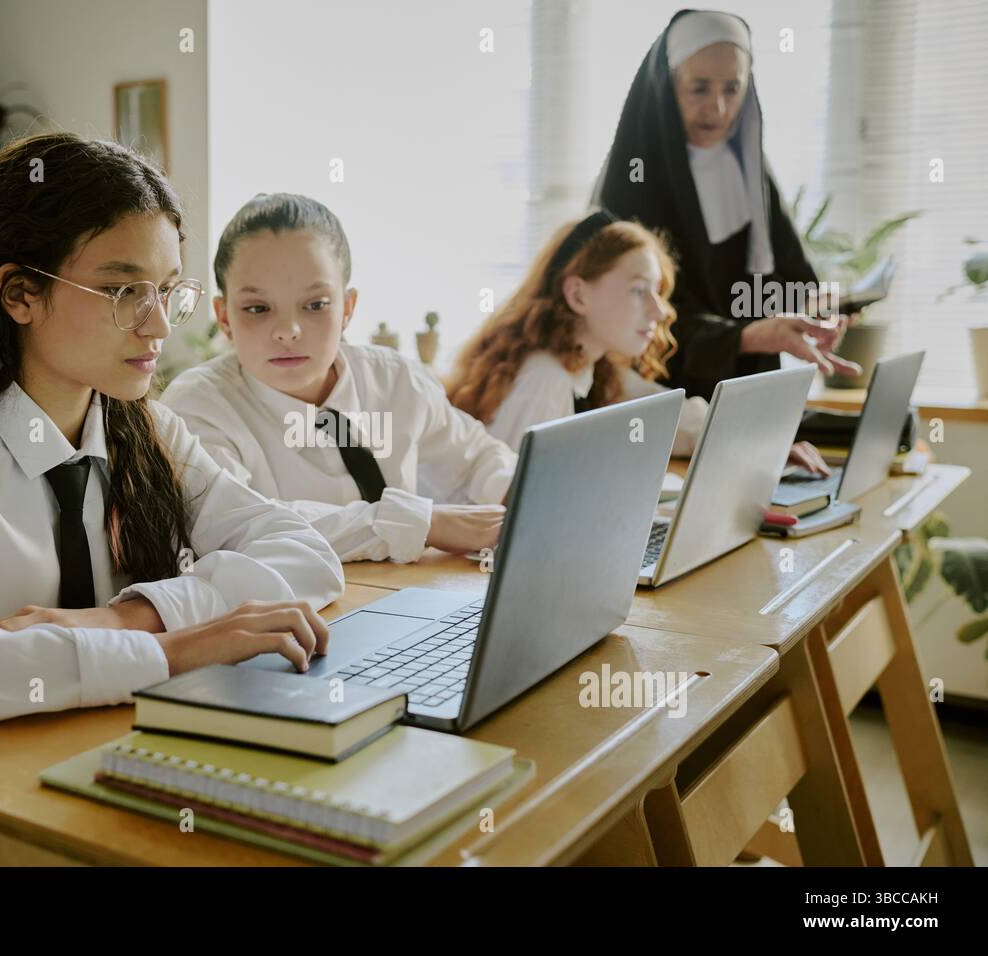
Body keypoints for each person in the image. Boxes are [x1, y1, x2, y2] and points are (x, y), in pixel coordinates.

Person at [0, 135, 343, 864]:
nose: (156, 326)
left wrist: (136, 616)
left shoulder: (144, 426)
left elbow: (305, 555)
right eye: (123, 291)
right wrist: (163, 652)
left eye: (166, 290)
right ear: (20, 292)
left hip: (111, 790)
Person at [160, 193, 517, 564]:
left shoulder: (395, 380)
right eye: (258, 308)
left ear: (347, 308)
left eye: (315, 305)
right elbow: (244, 528)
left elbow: (479, 457)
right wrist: (423, 523)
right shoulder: (197, 408)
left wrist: (518, 500)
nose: (288, 331)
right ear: (225, 317)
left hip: (408, 601)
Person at [592, 8, 860, 402]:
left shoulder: (749, 173)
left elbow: (783, 280)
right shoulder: (633, 182)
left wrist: (815, 312)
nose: (717, 108)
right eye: (699, 88)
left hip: (746, 392)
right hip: (662, 399)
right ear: (668, 86)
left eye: (731, 89)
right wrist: (742, 337)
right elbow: (631, 316)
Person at [446, 209, 829, 474]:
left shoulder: (592, 368)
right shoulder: (546, 381)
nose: (661, 312)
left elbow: (674, 417)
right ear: (578, 296)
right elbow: (510, 514)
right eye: (638, 291)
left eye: (658, 292)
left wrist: (764, 445)